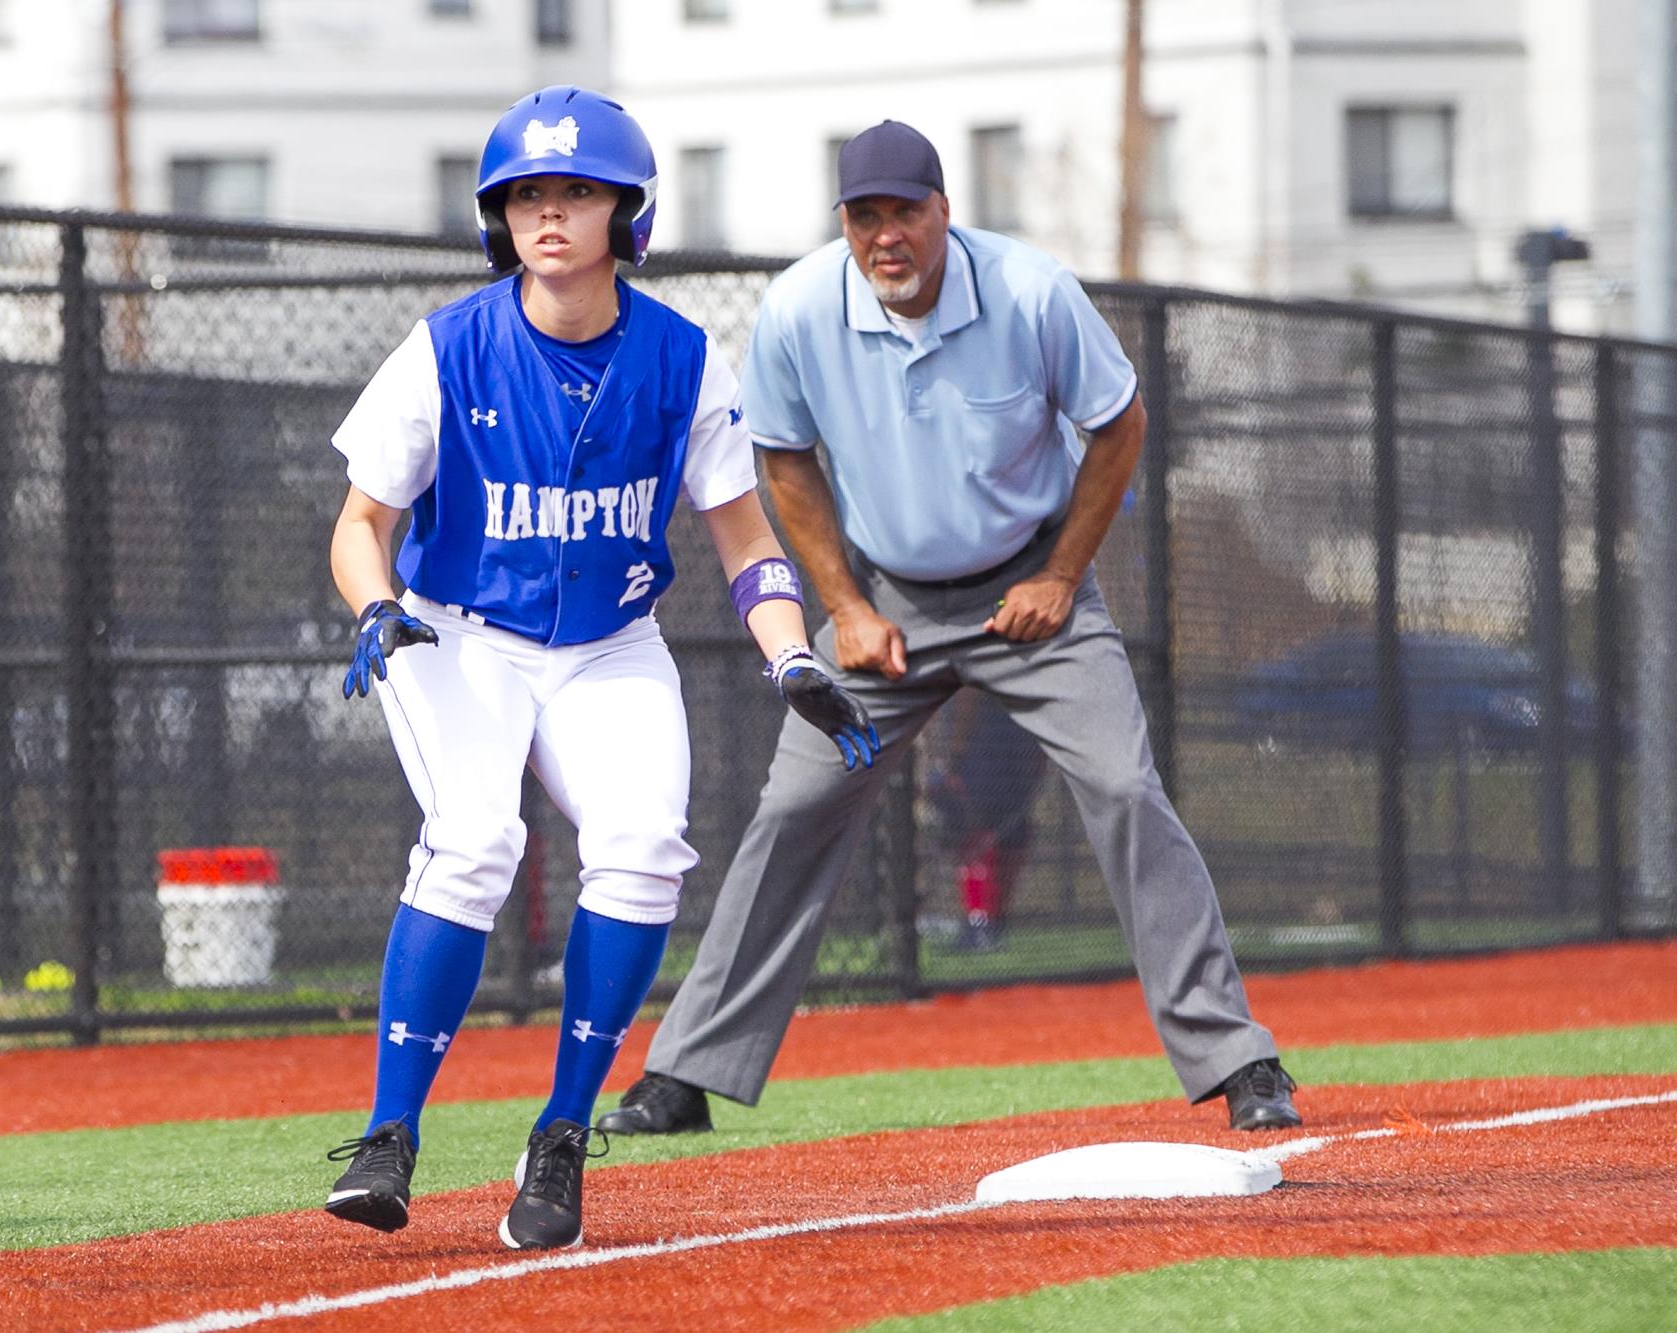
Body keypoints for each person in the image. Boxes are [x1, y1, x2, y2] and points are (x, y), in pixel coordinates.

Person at [598, 119, 1301, 1140]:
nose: (886, 235)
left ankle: (1238, 1062)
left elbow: (1119, 423)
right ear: (843, 223)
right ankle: (682, 1075)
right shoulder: (797, 309)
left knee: (1121, 787)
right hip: (884, 602)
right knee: (791, 806)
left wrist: (1060, 574)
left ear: (941, 213)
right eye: (863, 215)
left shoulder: (1028, 291)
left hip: (1032, 594)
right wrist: (842, 605)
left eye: (905, 212)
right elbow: (783, 460)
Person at [318, 86, 879, 1253]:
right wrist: (375, 608)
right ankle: (388, 1132)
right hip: (454, 633)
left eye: (576, 191)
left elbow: (741, 534)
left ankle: (562, 1130)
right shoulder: (444, 350)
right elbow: (360, 520)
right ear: (498, 219)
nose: (549, 212)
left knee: (641, 851)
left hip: (610, 642)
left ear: (628, 213)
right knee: (474, 843)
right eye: (526, 193)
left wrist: (790, 656)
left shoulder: (682, 360)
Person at [924, 693, 1048, 951]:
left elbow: (965, 696)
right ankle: (989, 923)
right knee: (1003, 831)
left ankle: (981, 924)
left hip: (987, 747)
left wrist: (953, 757)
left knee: (982, 831)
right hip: (1019, 740)